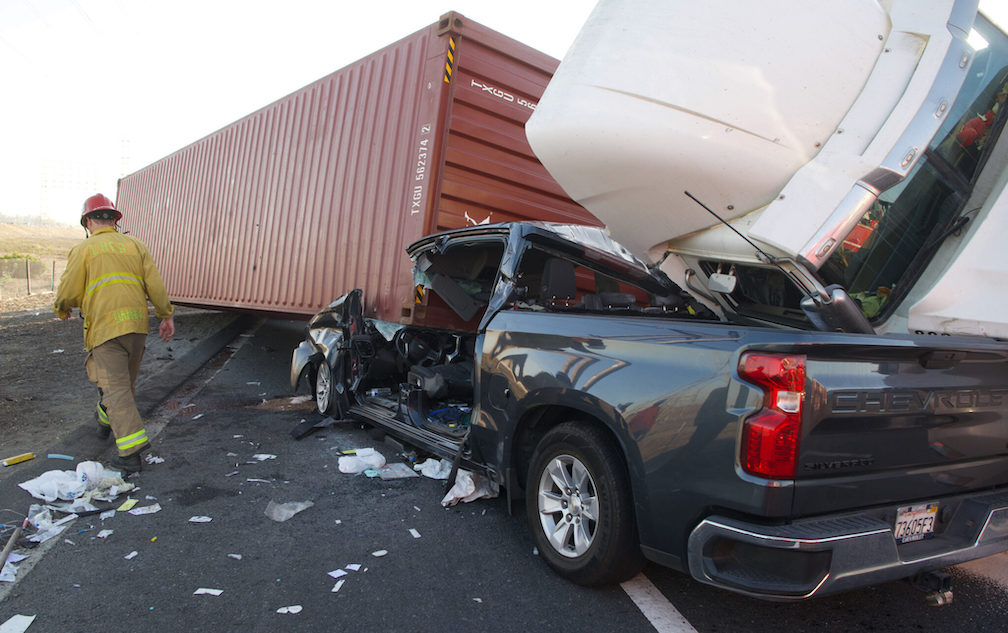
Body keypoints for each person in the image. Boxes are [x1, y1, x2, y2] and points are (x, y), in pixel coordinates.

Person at [53, 193, 175, 474]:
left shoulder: (84, 249)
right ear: (114, 221)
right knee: (123, 386)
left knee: (116, 389)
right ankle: (104, 419)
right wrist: (165, 314)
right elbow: (155, 285)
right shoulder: (136, 245)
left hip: (106, 329)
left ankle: (130, 453)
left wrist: (61, 308)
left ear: (87, 222)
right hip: (137, 327)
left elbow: (68, 292)